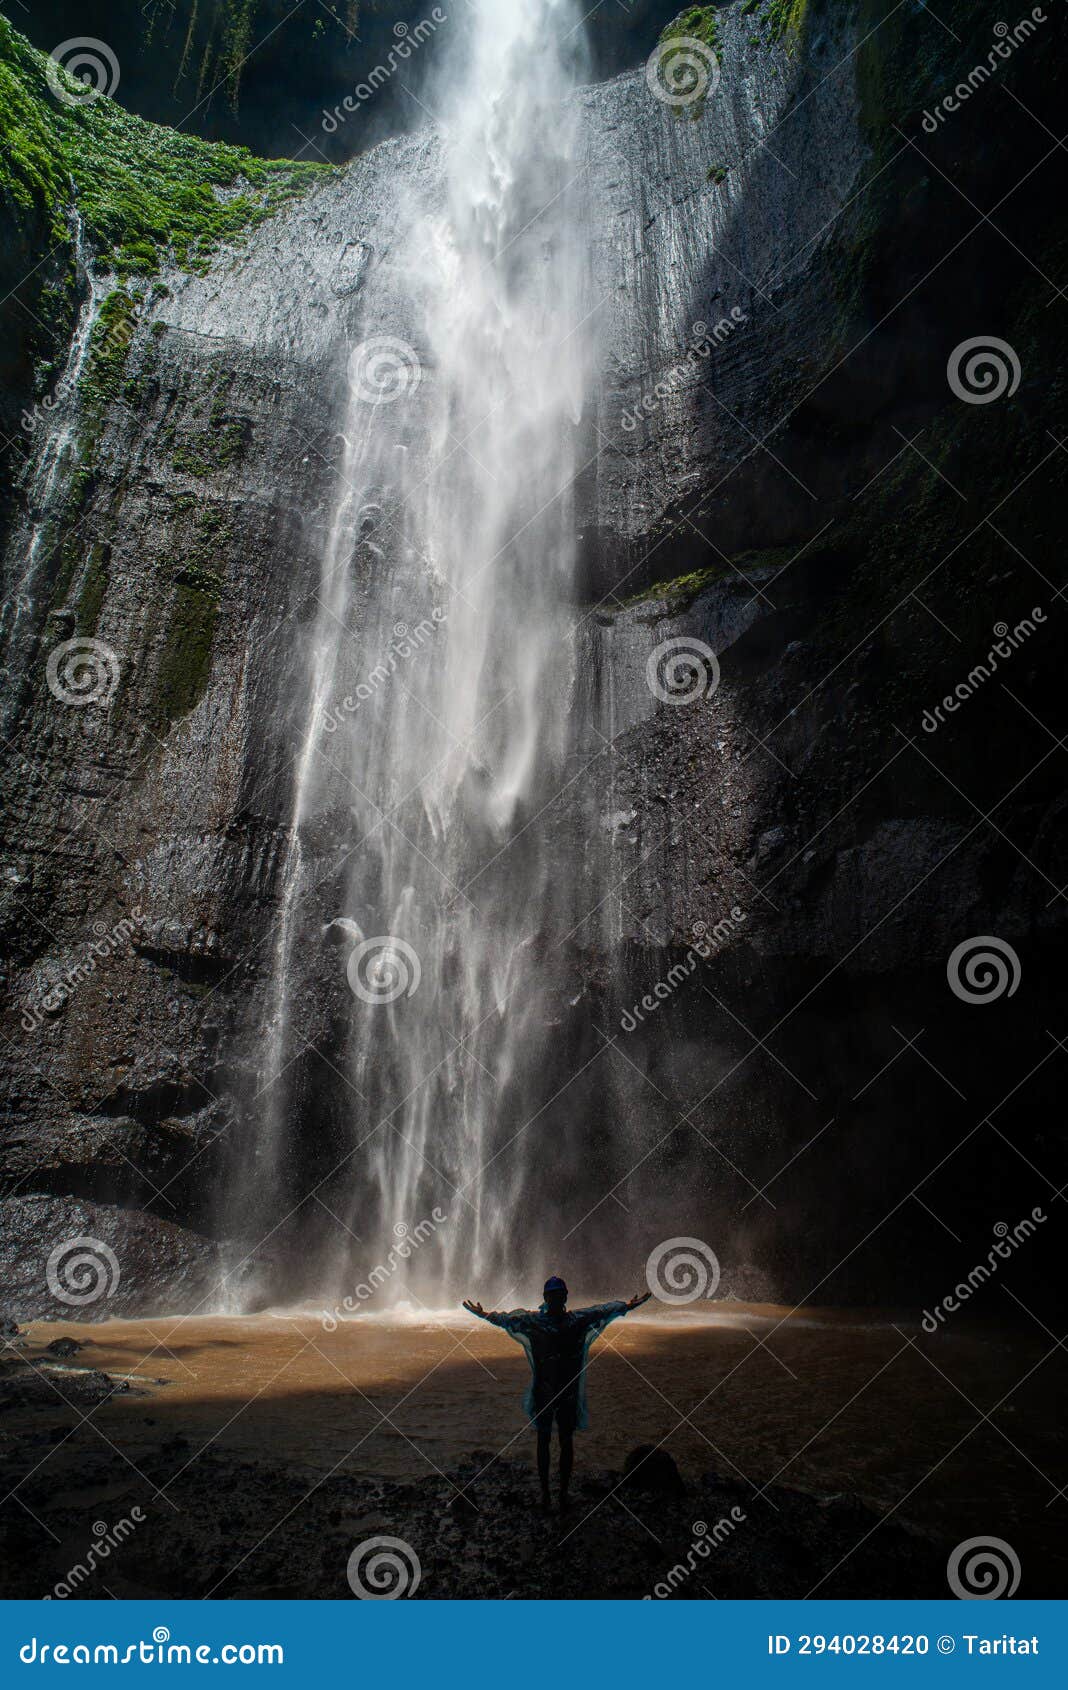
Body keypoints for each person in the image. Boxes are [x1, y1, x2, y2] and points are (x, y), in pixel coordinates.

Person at [463, 1276, 652, 1512]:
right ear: (552, 1298)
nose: (555, 1299)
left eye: (557, 1295)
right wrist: (626, 1306)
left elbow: (506, 1320)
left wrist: (627, 1306)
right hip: (558, 1392)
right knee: (557, 1440)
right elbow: (602, 1311)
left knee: (555, 1440)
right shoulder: (567, 1321)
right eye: (553, 1295)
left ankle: (554, 1494)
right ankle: (555, 1494)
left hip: (552, 1391)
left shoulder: (543, 1321)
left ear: (559, 1297)